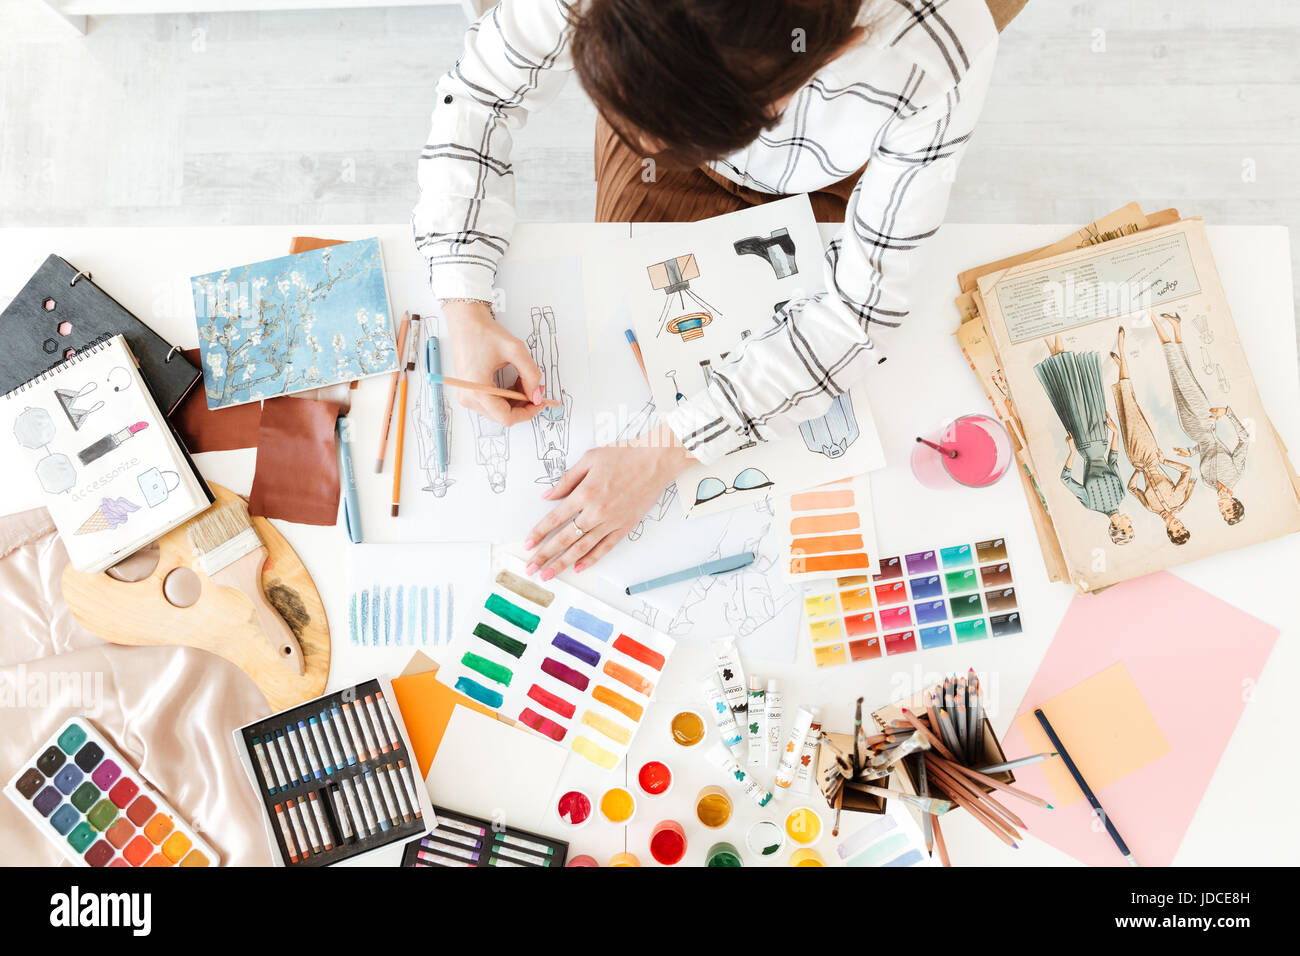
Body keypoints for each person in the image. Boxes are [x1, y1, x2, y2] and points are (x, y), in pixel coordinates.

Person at [413, 0, 1025, 578]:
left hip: (835, 174)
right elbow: (480, 91)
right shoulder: (648, 72)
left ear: (838, 51)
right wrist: (464, 302)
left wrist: (667, 451)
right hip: (669, 119)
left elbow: (860, 312)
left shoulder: (936, 47)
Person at [1033, 337, 1134, 545]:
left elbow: (1066, 479)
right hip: (1103, 438)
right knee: (1085, 391)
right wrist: (1115, 433)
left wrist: (1071, 452)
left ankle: (1052, 338)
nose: (1130, 522)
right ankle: (1052, 339)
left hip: (1083, 444)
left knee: (1071, 394)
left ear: (1117, 528)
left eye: (1128, 527)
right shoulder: (1122, 495)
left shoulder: (1091, 504)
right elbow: (1113, 461)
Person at [1151, 312, 1248, 525]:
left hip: (1190, 426)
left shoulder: (1208, 482)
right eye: (1227, 510)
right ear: (1234, 503)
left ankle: (1176, 327)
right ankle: (1152, 318)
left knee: (1180, 375)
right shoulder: (1235, 473)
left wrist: (1191, 451)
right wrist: (1228, 413)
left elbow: (1205, 448)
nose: (1221, 509)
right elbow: (1245, 439)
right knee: (1178, 371)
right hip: (1205, 419)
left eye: (1223, 514)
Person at [1109, 327, 1194, 545]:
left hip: (1135, 458)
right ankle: (1122, 350)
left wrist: (1137, 471)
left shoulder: (1151, 508)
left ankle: (1122, 366)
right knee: (1131, 408)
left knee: (1124, 413)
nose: (1177, 524)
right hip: (1150, 452)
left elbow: (1132, 489)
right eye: (1182, 526)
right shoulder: (1179, 499)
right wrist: (1164, 460)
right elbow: (1187, 470)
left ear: (1168, 531)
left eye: (1175, 530)